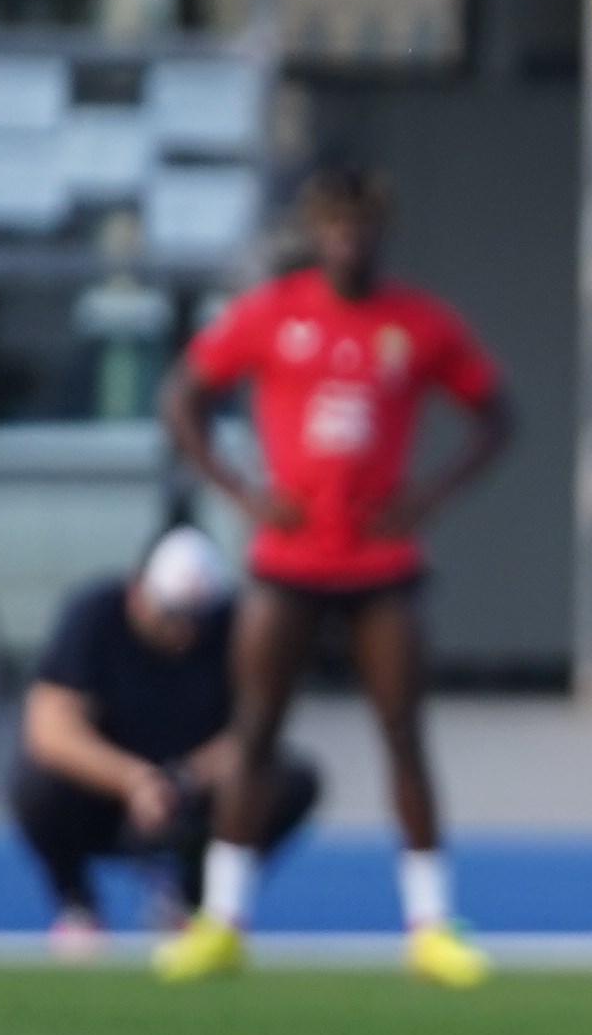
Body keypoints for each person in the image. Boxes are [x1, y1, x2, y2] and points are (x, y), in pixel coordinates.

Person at [148, 163, 513, 988]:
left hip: (381, 562)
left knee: (403, 734)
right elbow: (183, 398)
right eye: (334, 227)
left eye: (363, 227)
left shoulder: (417, 325)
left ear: (383, 233)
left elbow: (497, 417)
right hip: (289, 560)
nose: (349, 241)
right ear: (315, 235)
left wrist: (425, 501)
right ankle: (223, 919)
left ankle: (428, 924)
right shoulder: (273, 316)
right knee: (256, 733)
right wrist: (241, 489)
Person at [8, 526, 321, 959]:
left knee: (287, 780)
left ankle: (193, 902)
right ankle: (76, 904)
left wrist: (186, 779)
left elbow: (259, 726)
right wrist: (134, 780)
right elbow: (50, 726)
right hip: (104, 797)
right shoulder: (95, 616)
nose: (185, 632)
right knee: (37, 783)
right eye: (171, 615)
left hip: (198, 796)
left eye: (198, 619)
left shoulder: (237, 628)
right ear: (139, 593)